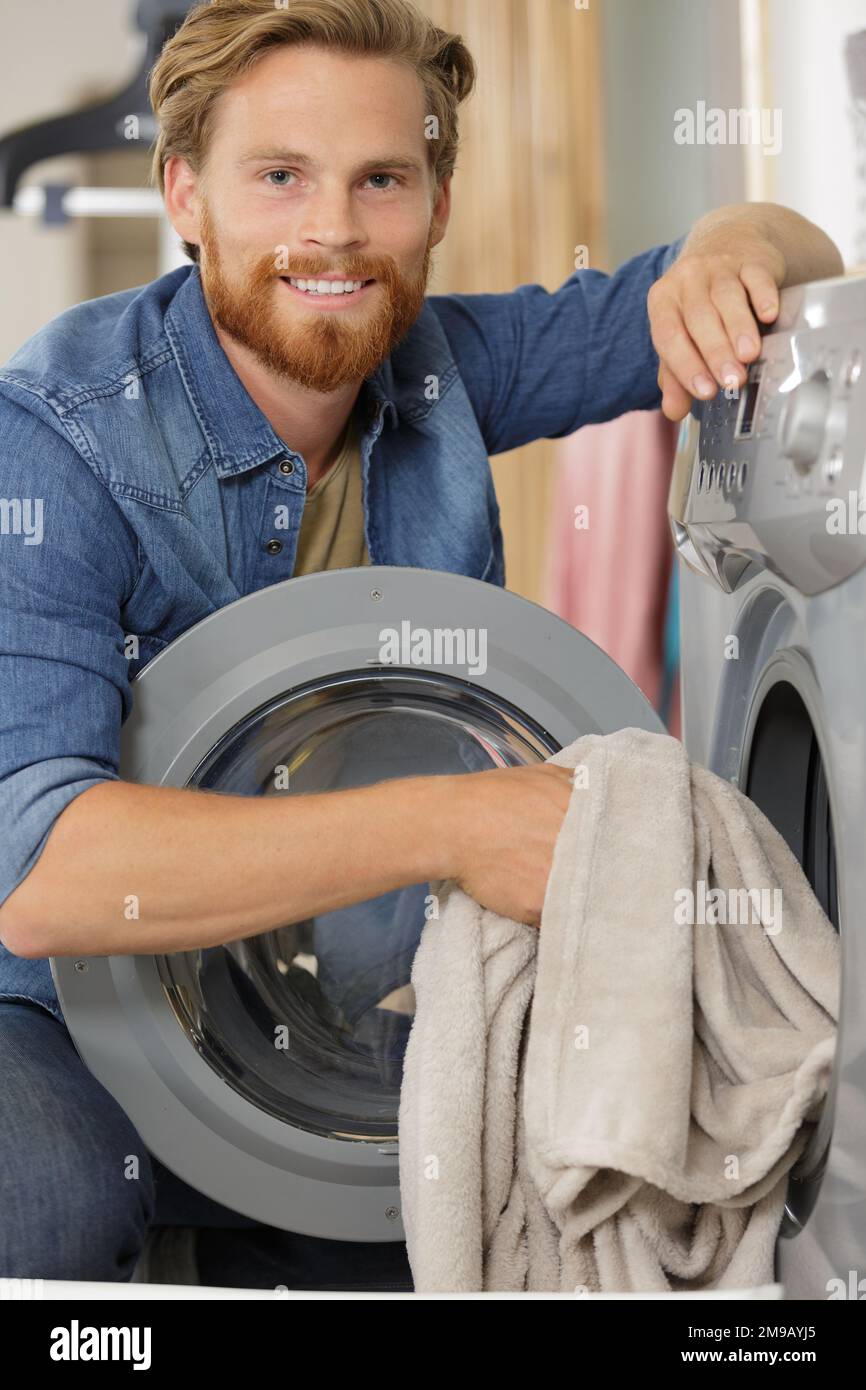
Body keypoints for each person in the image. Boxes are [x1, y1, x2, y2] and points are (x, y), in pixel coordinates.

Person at [0, 0, 843, 1288]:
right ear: (186, 195)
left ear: (438, 202)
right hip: (51, 1016)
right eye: (279, 177)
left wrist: (735, 245)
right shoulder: (54, 435)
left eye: (381, 180)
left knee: (525, 1209)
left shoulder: (440, 363)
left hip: (325, 1013)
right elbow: (44, 877)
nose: (334, 229)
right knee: (46, 1209)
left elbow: (784, 260)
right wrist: (456, 825)